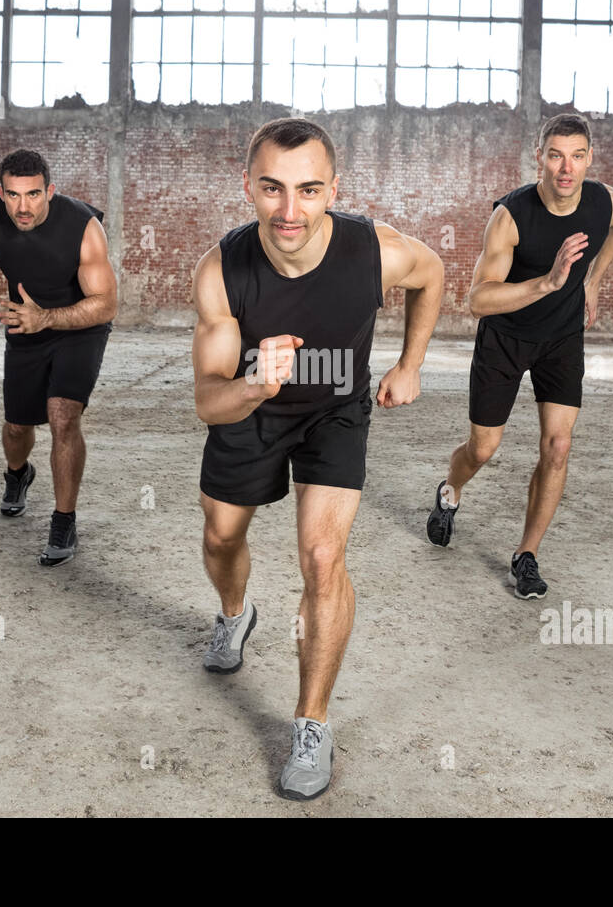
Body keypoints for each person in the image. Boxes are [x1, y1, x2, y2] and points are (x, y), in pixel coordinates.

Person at [192, 118, 443, 800]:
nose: (289, 210)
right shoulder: (221, 270)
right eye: (272, 189)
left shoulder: (374, 252)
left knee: (323, 559)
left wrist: (411, 363)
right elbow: (208, 403)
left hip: (335, 412)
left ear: (334, 188)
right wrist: (253, 383)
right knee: (222, 536)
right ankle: (235, 612)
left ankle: (311, 722)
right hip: (252, 409)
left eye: (308, 190)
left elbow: (434, 273)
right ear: (249, 186)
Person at [426, 112, 613, 599]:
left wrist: (594, 281)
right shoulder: (511, 216)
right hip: (506, 337)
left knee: (558, 447)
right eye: (557, 155)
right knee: (482, 449)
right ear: (539, 157)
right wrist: (549, 282)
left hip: (561, 339)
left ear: (589, 160)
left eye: (578, 156)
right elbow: (478, 300)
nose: (567, 168)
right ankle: (448, 493)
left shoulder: (604, 202)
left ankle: (526, 555)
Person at [0, 149, 117, 566]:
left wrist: (46, 317)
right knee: (17, 426)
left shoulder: (83, 227)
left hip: (80, 326)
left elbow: (106, 304)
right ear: (0, 193)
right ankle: (18, 474)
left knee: (63, 415)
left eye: (33, 194)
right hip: (24, 323)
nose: (23, 206)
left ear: (49, 190)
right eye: (13, 195)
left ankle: (63, 519)